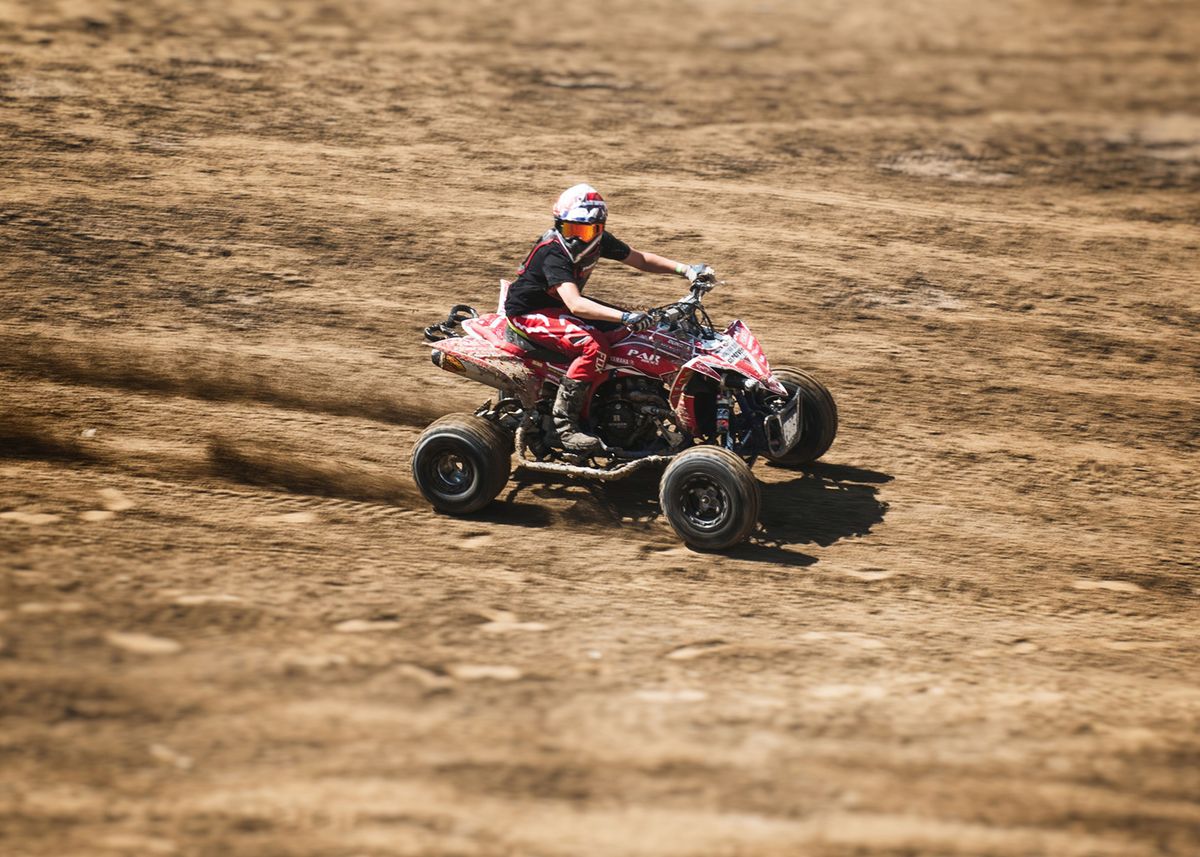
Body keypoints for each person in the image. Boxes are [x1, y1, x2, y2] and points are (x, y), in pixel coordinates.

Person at [505, 183, 712, 454]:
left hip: (559, 307)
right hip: (528, 314)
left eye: (587, 230)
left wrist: (685, 269)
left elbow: (639, 259)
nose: (579, 237)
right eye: (571, 229)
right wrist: (626, 315)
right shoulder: (553, 252)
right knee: (595, 346)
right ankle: (565, 426)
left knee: (632, 334)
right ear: (559, 224)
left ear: (599, 229)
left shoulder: (599, 242)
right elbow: (576, 303)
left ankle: (618, 402)